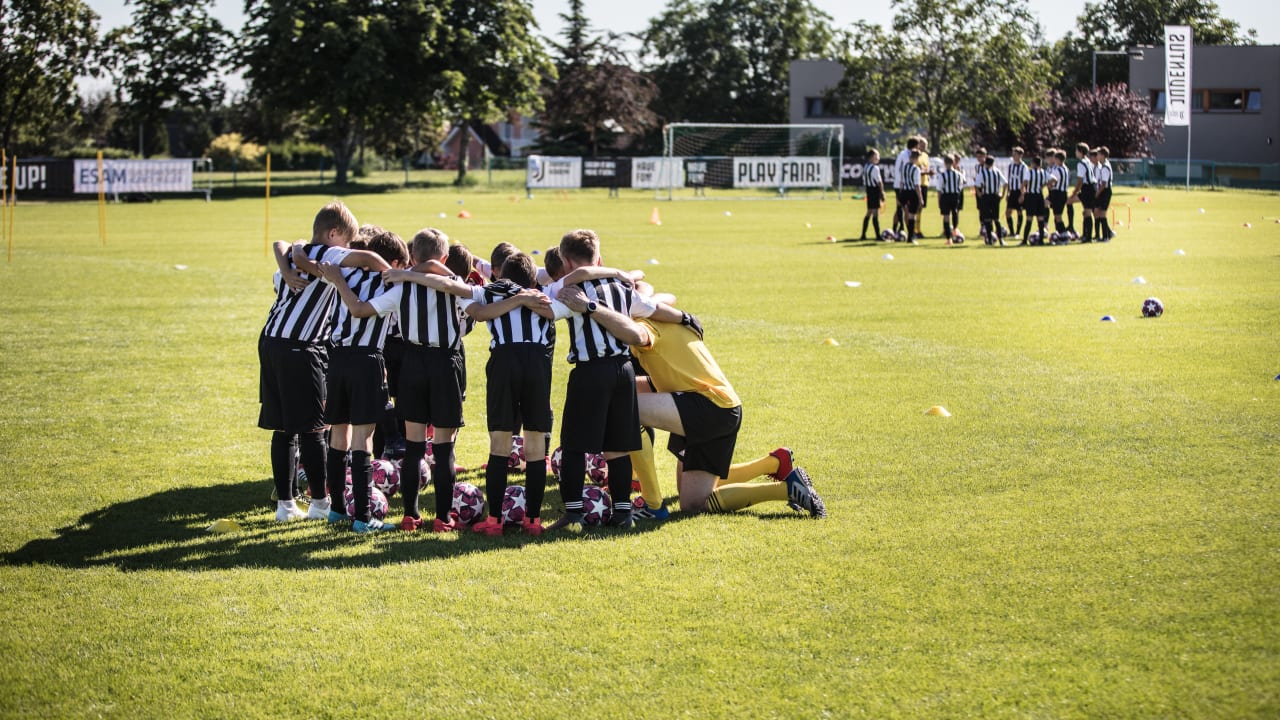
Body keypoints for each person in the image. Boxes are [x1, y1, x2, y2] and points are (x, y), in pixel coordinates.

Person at [556, 287, 825, 518]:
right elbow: (657, 381)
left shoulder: (645, 326)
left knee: (625, 410)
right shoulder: (659, 316)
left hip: (709, 407)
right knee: (693, 503)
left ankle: (653, 505)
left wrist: (591, 308)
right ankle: (779, 472)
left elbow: (638, 335)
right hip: (719, 406)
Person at [544, 229, 691, 531]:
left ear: (567, 262)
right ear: (598, 256)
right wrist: (685, 318)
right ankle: (622, 513)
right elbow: (652, 308)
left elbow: (548, 310)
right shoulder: (620, 287)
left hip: (590, 371)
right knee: (619, 445)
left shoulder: (571, 290)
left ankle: (573, 514)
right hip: (624, 370)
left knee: (573, 446)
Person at [259, 201, 391, 522]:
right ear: (333, 235)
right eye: (347, 240)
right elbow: (369, 259)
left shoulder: (292, 257)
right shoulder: (327, 254)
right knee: (314, 428)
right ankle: (320, 504)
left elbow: (283, 247)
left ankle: (286, 506)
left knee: (283, 428)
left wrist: (293, 259)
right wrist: (391, 272)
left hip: (271, 342)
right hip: (301, 347)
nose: (347, 249)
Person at [375, 228, 480, 532]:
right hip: (445, 363)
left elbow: (371, 310)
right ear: (445, 258)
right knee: (444, 447)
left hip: (412, 364)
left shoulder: (400, 286)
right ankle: (443, 518)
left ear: (413, 255)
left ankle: (410, 516)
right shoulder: (455, 285)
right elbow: (472, 312)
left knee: (414, 445)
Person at [310, 229, 411, 532]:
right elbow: (359, 309)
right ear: (392, 261)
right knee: (362, 441)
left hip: (337, 360)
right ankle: (363, 518)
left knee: (338, 435)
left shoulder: (345, 272)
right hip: (366, 361)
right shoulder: (392, 286)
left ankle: (337, 510)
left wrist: (339, 279)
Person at [463, 252, 557, 536]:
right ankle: (533, 521)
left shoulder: (492, 292)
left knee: (500, 442)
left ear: (502, 275)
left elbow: (476, 313)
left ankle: (494, 521)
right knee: (536, 445)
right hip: (537, 363)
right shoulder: (544, 294)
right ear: (532, 277)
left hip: (504, 361)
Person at [973, 150, 1006, 245]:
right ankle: (1001, 240)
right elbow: (1006, 183)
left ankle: (990, 240)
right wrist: (1002, 194)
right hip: (996, 196)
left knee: (987, 219)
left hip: (986, 196)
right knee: (996, 219)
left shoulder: (983, 172)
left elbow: (976, 184)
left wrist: (979, 193)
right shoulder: (997, 171)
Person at [891, 136, 920, 238]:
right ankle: (908, 232)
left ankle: (896, 229)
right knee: (907, 209)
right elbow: (909, 171)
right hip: (903, 185)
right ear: (916, 145)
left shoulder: (902, 153)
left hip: (899, 184)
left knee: (900, 207)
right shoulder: (907, 155)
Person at [935, 153, 965, 244]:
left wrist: (939, 200)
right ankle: (955, 229)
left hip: (946, 196)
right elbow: (961, 186)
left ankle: (948, 239)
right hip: (955, 195)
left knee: (946, 216)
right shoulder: (958, 174)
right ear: (953, 162)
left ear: (944, 163)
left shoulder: (942, 175)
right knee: (955, 212)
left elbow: (939, 189)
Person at [1067, 142, 1094, 241]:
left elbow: (1080, 181)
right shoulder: (1088, 161)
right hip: (1090, 187)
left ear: (1081, 152)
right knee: (1070, 202)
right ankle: (1073, 228)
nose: (1075, 152)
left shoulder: (1081, 163)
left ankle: (1088, 237)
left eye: (1076, 150)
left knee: (1087, 212)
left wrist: (1074, 192)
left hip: (1088, 188)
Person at [1021, 155, 1049, 245]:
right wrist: (1042, 186)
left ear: (1033, 164)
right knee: (1040, 218)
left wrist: (1022, 193)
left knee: (1029, 218)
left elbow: (1024, 183)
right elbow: (1053, 179)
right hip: (1039, 196)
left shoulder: (1030, 172)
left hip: (1031, 196)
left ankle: (1024, 240)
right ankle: (1041, 240)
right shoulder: (1043, 172)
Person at [859, 148, 885, 241]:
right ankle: (878, 235)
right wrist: (882, 193)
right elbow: (879, 182)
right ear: (872, 157)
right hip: (874, 190)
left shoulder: (866, 166)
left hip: (868, 190)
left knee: (869, 212)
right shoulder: (875, 168)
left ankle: (863, 235)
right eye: (877, 155)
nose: (878, 157)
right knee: (875, 213)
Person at [900, 149, 924, 244]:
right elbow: (917, 185)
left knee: (906, 212)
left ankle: (906, 233)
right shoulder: (916, 169)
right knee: (912, 215)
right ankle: (910, 237)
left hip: (905, 192)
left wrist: (901, 193)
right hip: (912, 193)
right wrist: (921, 198)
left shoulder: (905, 167)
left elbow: (902, 181)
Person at [1046, 149, 1071, 240]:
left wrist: (1046, 184)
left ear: (1058, 160)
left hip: (1057, 193)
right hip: (1063, 193)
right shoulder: (1066, 169)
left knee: (1058, 216)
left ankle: (1064, 233)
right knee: (1055, 213)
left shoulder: (1057, 170)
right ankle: (1059, 233)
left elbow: (1053, 181)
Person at [1092, 146, 1115, 242]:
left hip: (1105, 192)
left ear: (1102, 155)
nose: (1097, 156)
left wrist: (1097, 192)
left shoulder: (1105, 166)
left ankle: (1106, 236)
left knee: (1102, 214)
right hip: (1102, 191)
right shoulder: (1101, 165)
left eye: (1098, 154)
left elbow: (1104, 183)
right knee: (1097, 212)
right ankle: (1099, 235)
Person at [1004, 146, 1028, 238]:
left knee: (1019, 211)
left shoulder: (1024, 167)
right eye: (1013, 154)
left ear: (1020, 155)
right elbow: (1009, 180)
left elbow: (1025, 181)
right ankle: (1012, 231)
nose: (1013, 156)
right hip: (1012, 191)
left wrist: (1022, 194)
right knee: (1008, 212)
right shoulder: (1011, 166)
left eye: (1015, 154)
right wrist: (1008, 193)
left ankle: (1017, 232)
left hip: (1019, 191)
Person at [913, 137, 932, 240]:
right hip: (917, 184)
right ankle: (914, 230)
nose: (924, 147)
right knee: (916, 208)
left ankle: (918, 229)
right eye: (922, 145)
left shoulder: (925, 156)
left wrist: (928, 175)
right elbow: (917, 170)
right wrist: (927, 172)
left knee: (921, 208)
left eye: (926, 145)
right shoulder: (916, 156)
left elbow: (926, 168)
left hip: (924, 183)